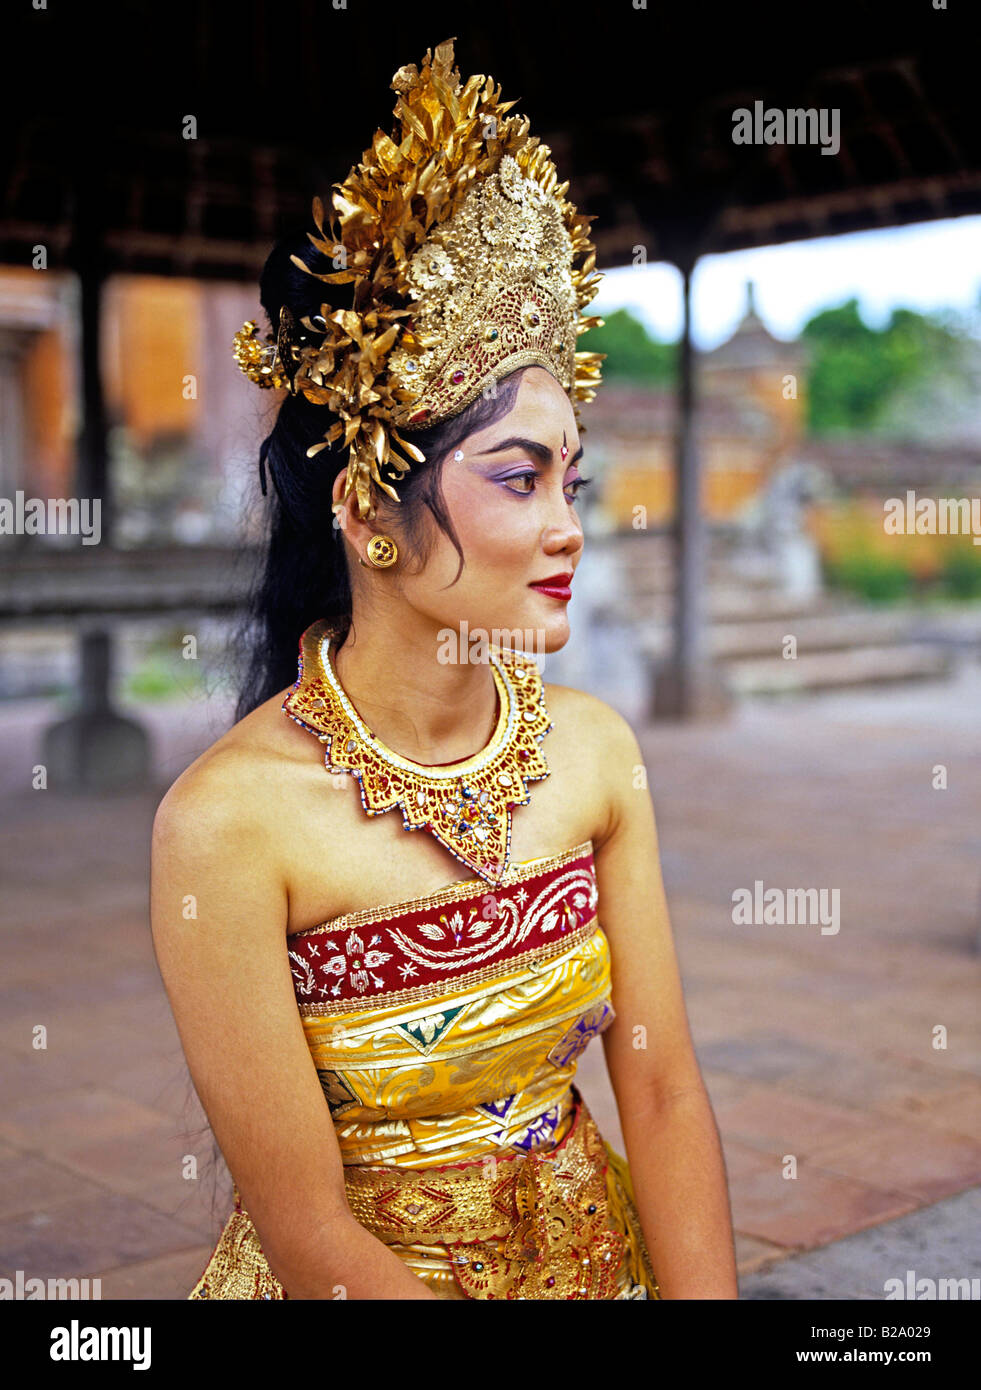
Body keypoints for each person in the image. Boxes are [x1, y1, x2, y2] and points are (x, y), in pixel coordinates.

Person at [150, 36, 738, 1301]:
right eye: (519, 477)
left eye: (570, 476)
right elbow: (309, 1236)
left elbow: (664, 1086)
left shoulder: (595, 754)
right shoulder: (226, 826)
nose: (569, 521)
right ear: (370, 509)